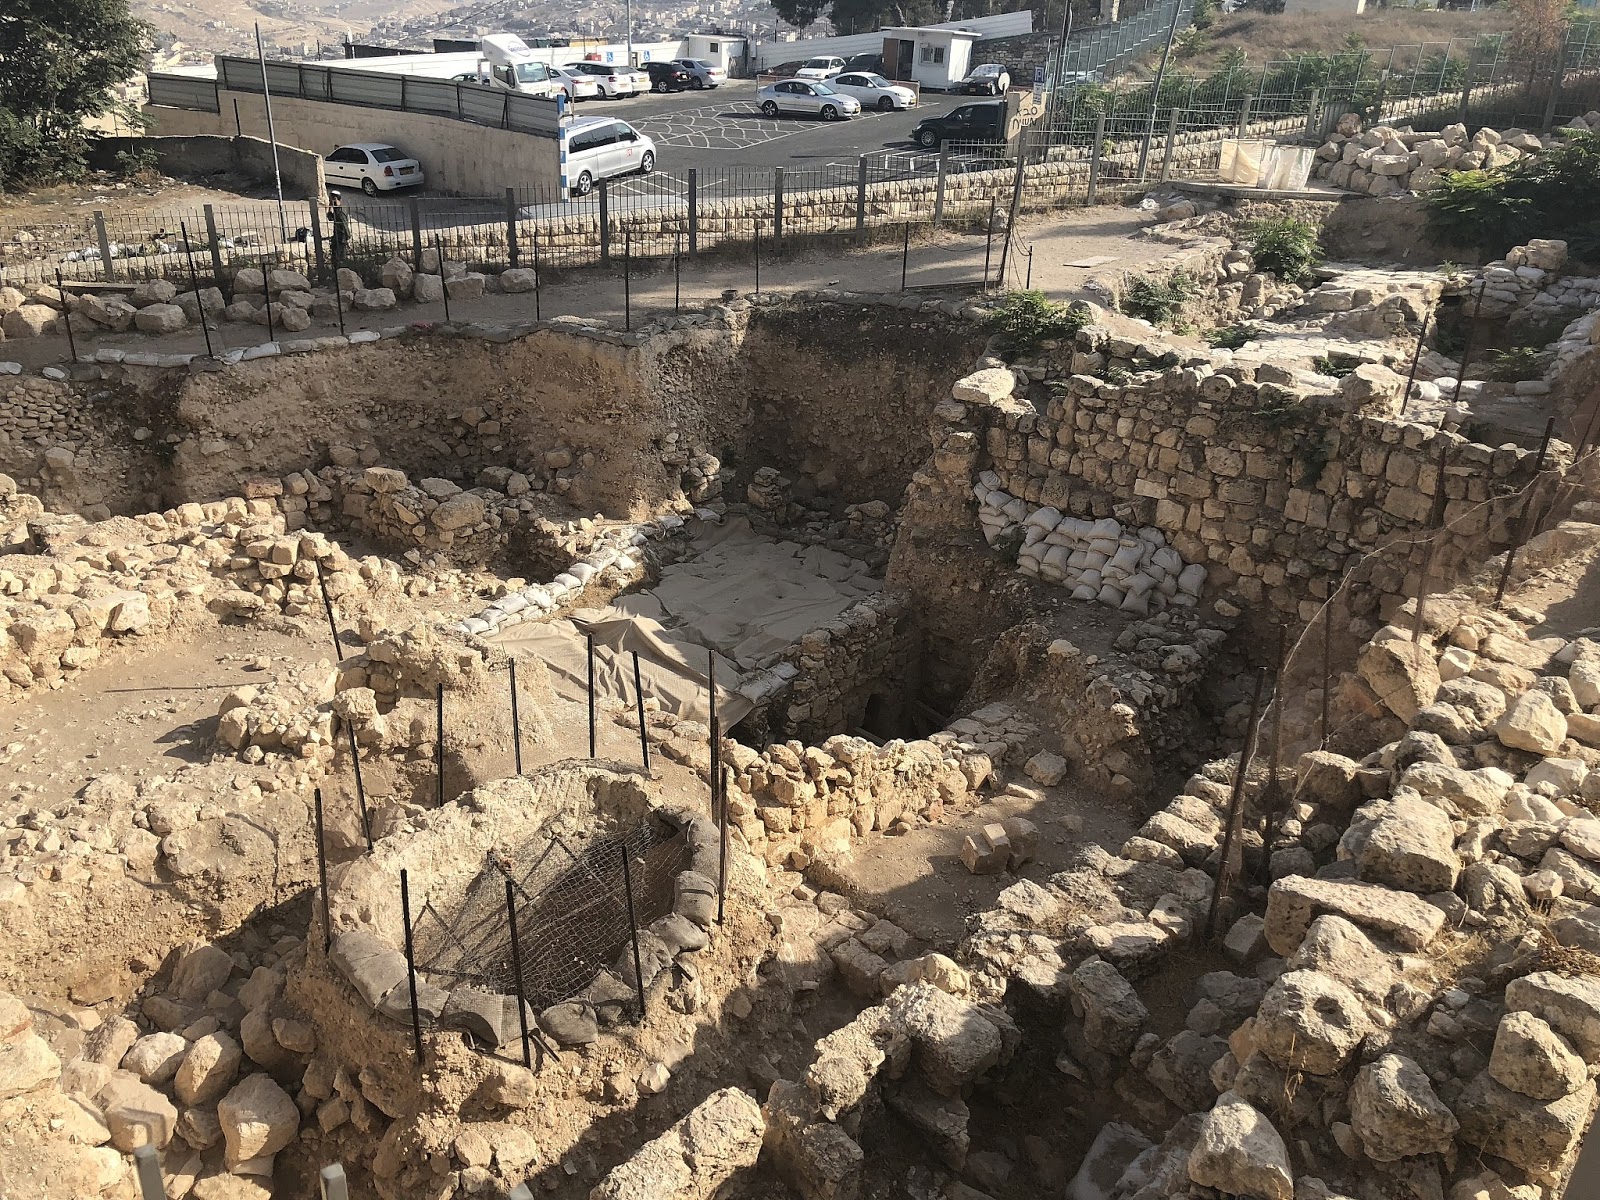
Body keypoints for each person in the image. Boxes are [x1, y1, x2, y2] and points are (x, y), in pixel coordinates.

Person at [328, 189, 350, 265]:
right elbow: (330, 218)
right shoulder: (336, 209)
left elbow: (344, 224)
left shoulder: (341, 210)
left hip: (341, 236)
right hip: (337, 234)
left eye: (333, 199)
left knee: (340, 257)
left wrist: (347, 237)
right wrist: (330, 208)